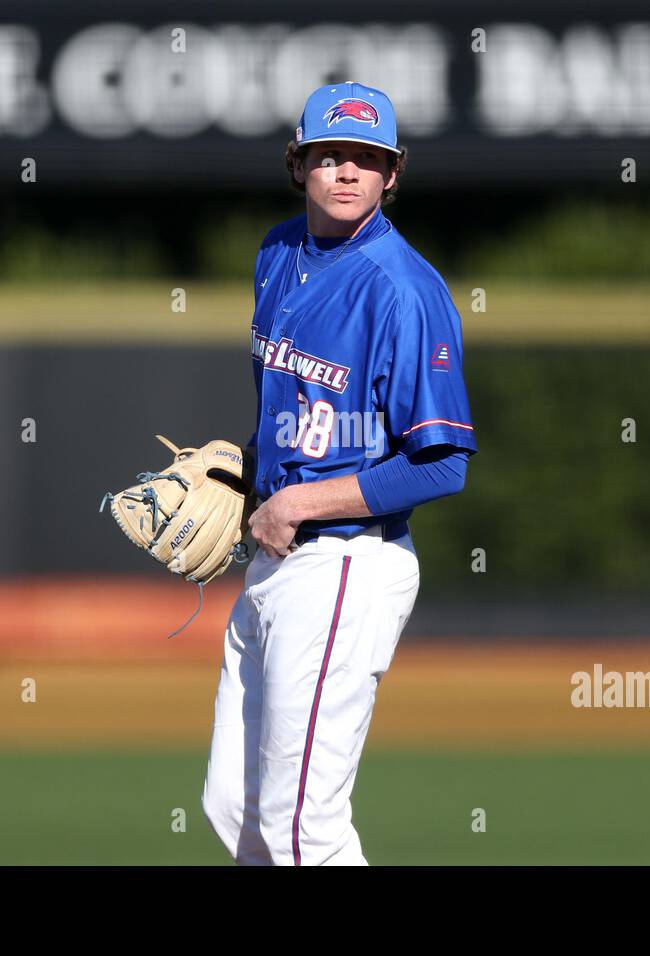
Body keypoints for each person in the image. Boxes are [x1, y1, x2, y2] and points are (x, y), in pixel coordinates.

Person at [201, 81, 477, 866]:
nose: (348, 172)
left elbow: (444, 463)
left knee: (302, 825)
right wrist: (246, 476)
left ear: (393, 174)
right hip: (278, 562)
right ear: (299, 164)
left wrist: (296, 501)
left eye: (368, 159)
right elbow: (296, 417)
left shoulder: (404, 288)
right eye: (331, 156)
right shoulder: (276, 254)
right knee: (236, 808)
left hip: (351, 562)